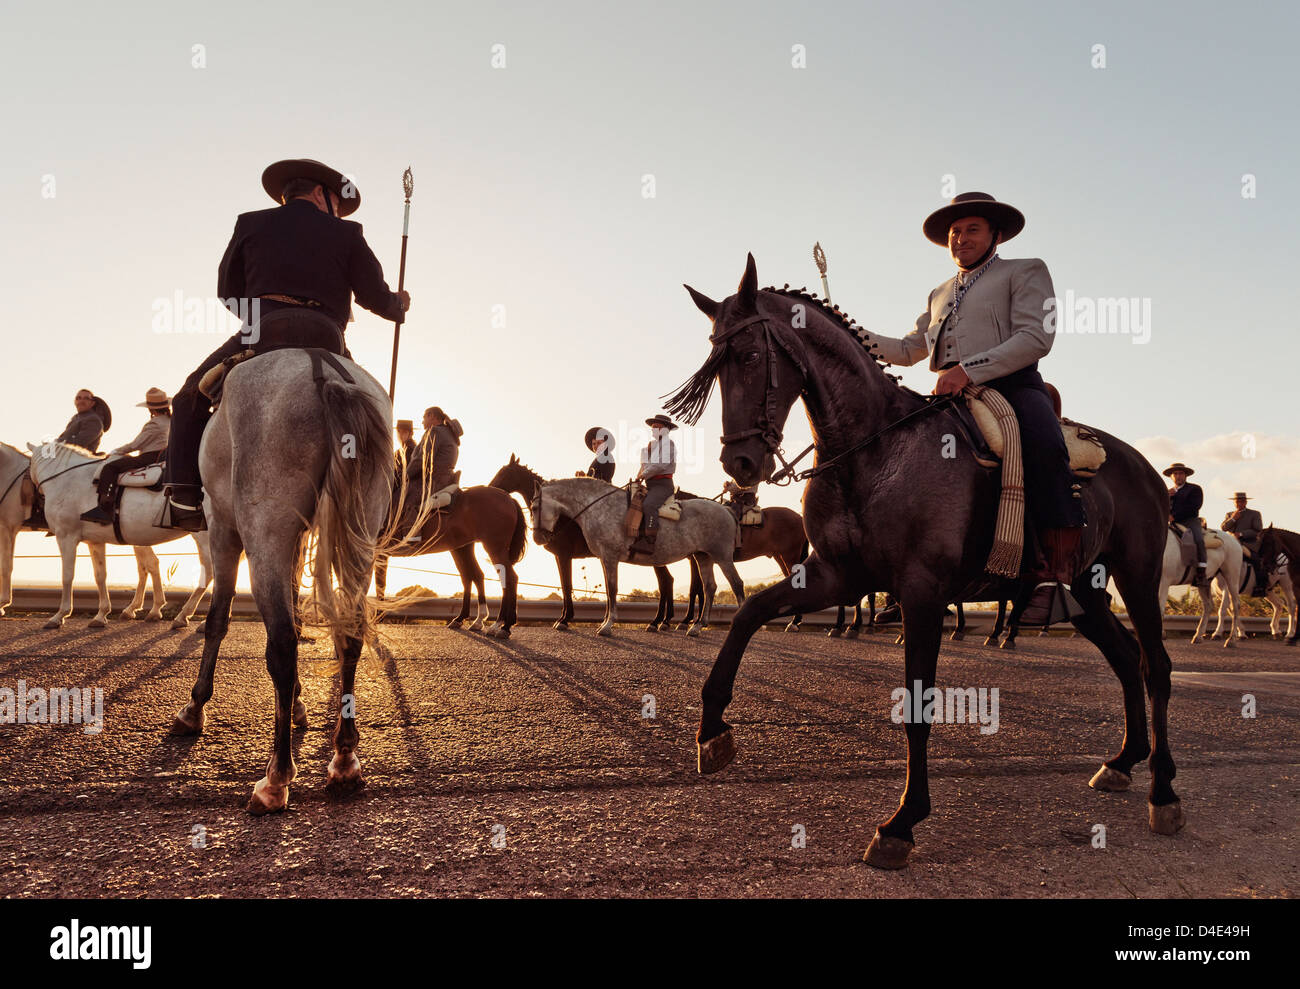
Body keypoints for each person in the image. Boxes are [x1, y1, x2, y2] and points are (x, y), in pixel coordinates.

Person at [865, 192, 1085, 625]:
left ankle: (1051, 575)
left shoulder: (1025, 271)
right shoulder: (939, 292)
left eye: (971, 230)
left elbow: (1037, 337)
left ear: (995, 235)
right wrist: (852, 334)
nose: (960, 239)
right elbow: (910, 349)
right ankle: (918, 574)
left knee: (1042, 445)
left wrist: (968, 370)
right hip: (949, 394)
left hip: (1014, 386)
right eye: (954, 233)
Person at [160, 158, 411, 530]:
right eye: (337, 203)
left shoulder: (251, 223)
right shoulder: (347, 233)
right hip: (327, 336)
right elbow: (374, 296)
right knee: (375, 407)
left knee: (188, 397)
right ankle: (379, 497)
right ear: (320, 194)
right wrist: (399, 305)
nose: (339, 211)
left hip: (263, 331)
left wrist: (261, 313)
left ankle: (182, 495)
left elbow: (227, 291)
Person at [80, 388, 171, 524]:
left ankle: (105, 509)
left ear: (151, 409)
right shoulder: (169, 421)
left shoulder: (154, 423)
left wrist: (116, 451)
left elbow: (136, 445)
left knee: (110, 468)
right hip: (162, 456)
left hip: (149, 457)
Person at [401, 407, 461, 542]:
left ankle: (412, 537)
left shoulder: (435, 432)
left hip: (434, 481)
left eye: (424, 417)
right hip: (446, 479)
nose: (422, 422)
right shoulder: (450, 434)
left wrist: (404, 476)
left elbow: (421, 459)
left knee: (403, 499)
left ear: (432, 416)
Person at [631, 415, 677, 554]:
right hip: (649, 483)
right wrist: (637, 478)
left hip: (663, 485)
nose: (654, 430)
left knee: (649, 505)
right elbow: (643, 467)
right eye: (653, 428)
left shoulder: (669, 444)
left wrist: (643, 475)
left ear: (666, 430)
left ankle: (650, 541)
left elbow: (660, 466)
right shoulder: (646, 449)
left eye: (657, 427)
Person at [1165, 462, 1207, 588]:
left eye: (1181, 473)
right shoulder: (1167, 492)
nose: (1178, 476)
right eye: (1175, 474)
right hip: (1170, 522)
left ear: (1186, 476)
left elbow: (1194, 506)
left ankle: (1201, 571)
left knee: (1198, 539)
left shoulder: (1194, 489)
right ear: (1171, 477)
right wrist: (1166, 497)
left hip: (1190, 521)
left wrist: (1174, 516)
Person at [1222, 491, 1266, 591]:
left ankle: (1260, 586)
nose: (1239, 504)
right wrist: (1233, 519)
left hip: (1249, 544)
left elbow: (1258, 529)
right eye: (1237, 501)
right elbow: (1224, 528)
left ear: (1245, 502)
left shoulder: (1254, 514)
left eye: (1241, 501)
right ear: (1234, 503)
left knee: (1256, 560)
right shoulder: (1229, 514)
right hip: (1231, 544)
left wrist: (1241, 534)